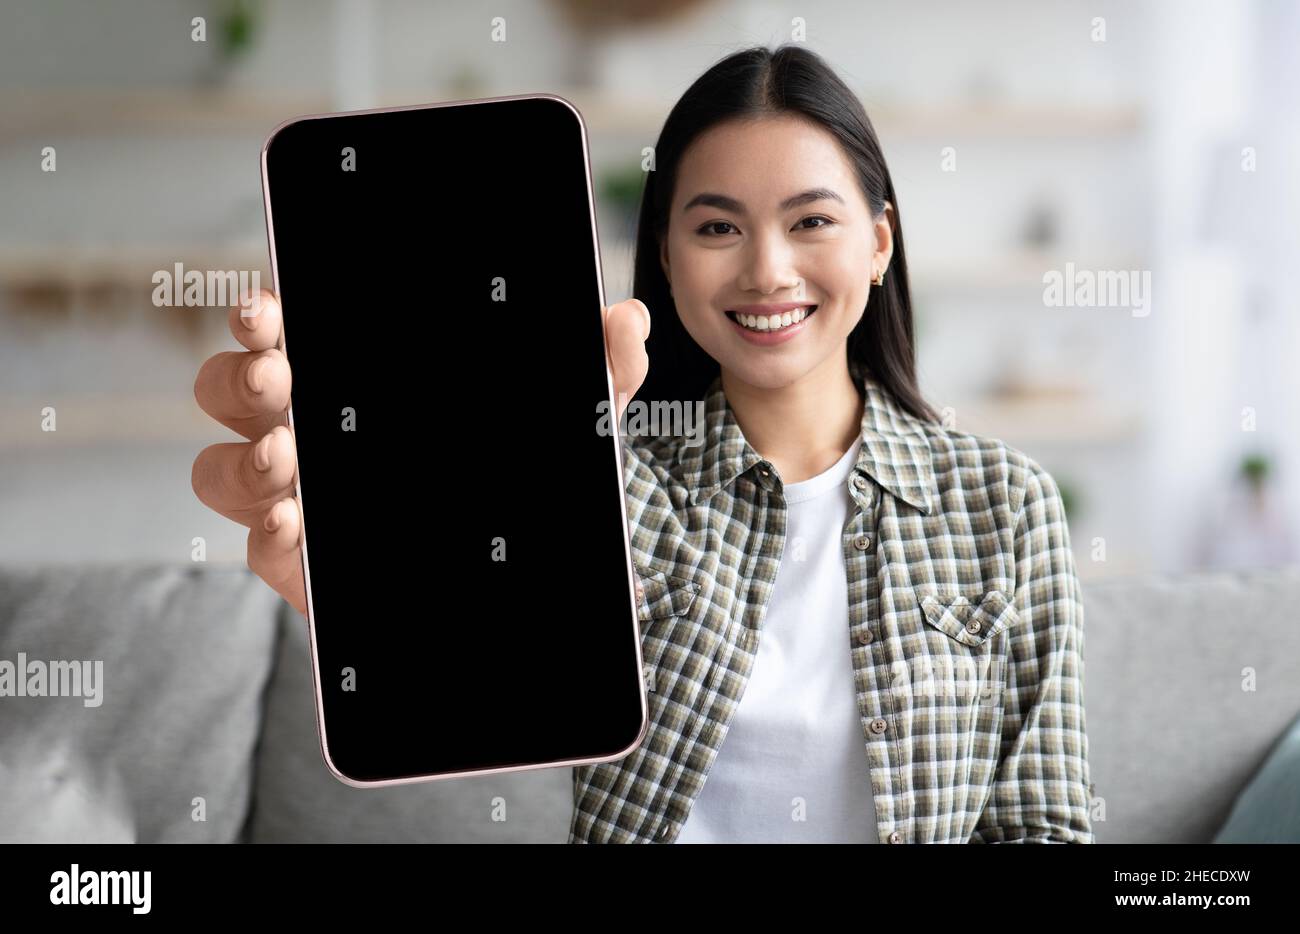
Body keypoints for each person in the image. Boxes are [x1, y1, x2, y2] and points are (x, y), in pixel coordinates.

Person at [193, 44, 1093, 844]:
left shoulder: (1004, 503)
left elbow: (1046, 825)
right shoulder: (606, 479)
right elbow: (474, 651)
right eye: (716, 227)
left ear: (879, 243)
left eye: (812, 220)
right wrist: (382, 597)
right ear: (665, 257)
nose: (767, 269)